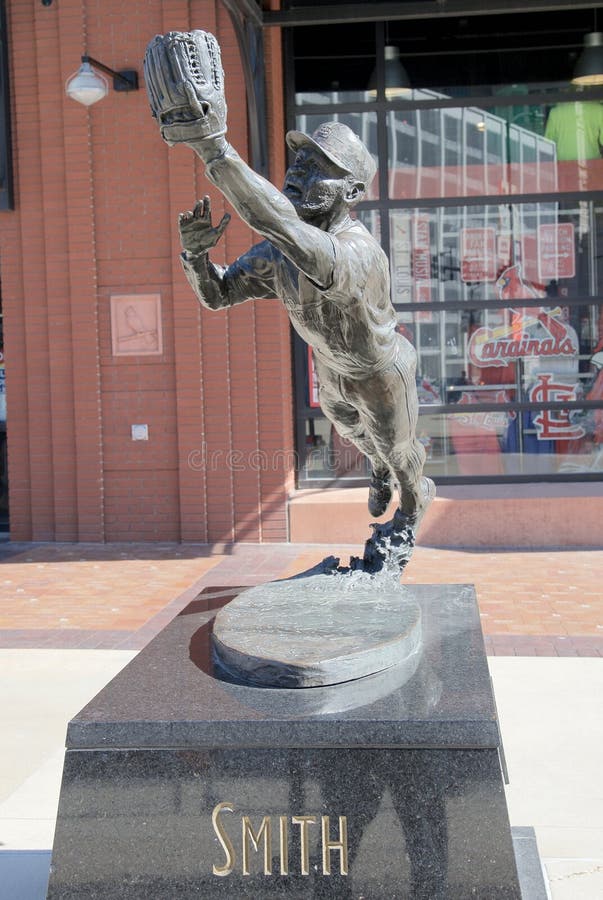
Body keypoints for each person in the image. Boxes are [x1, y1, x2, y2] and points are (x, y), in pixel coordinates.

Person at [177, 118, 434, 532]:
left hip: (380, 374)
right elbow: (219, 294)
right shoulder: (281, 255)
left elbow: (282, 225)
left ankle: (410, 503)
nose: (297, 171)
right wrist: (195, 257)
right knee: (355, 433)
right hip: (331, 370)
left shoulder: (357, 252)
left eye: (318, 166)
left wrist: (214, 149)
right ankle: (378, 467)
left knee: (400, 455)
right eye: (299, 160)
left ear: (351, 192)